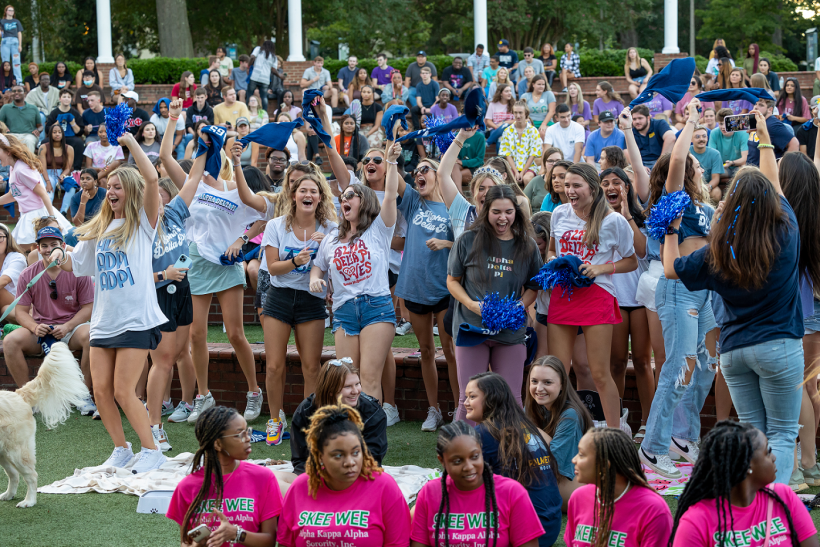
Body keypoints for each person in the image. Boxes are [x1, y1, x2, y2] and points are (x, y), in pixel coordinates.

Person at [663, 109, 806, 485]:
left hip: (735, 352)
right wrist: (761, 135)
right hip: (778, 346)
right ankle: (773, 513)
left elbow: (670, 269)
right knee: (782, 434)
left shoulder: (718, 250)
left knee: (752, 435)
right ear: (772, 202)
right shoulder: (786, 229)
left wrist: (670, 229)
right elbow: (773, 183)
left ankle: (750, 511)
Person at [49, 131, 167, 472]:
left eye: (117, 186)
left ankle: (152, 450)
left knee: (123, 390)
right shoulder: (99, 227)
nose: (110, 191)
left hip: (136, 319)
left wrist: (129, 144)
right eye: (109, 186)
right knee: (100, 390)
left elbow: (151, 176)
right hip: (103, 320)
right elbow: (77, 263)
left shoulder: (143, 223)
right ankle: (122, 448)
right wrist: (58, 253)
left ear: (130, 190)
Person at [161, 99, 273, 424]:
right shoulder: (189, 186)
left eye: (211, 150)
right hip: (196, 262)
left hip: (226, 264)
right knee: (197, 334)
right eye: (203, 150)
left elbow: (264, 213)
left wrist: (242, 239)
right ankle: (203, 396)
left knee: (236, 333)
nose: (207, 156)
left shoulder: (233, 187)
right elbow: (165, 157)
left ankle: (254, 391)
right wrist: (172, 121)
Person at [638, 99, 718, 479]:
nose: (701, 167)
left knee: (705, 367)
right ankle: (652, 447)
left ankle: (681, 437)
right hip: (678, 289)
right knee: (677, 368)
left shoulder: (707, 205)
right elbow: (676, 162)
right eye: (696, 165)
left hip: (706, 292)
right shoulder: (674, 202)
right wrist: (690, 121)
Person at [547, 161, 637, 431]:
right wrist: (554, 262)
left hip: (597, 295)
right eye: (567, 185)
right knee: (557, 372)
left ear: (593, 188)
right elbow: (552, 250)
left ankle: (614, 434)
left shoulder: (614, 220)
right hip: (564, 294)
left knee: (599, 373)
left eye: (576, 185)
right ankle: (558, 432)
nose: (570, 190)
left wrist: (601, 268)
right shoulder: (559, 213)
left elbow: (632, 261)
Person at [254, 155, 338, 445]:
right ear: (293, 195)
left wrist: (323, 250)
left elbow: (334, 266)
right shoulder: (277, 225)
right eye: (303, 190)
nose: (308, 194)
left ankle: (309, 420)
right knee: (275, 365)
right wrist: (296, 260)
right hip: (278, 297)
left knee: (311, 366)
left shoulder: (329, 229)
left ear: (319, 197)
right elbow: (273, 267)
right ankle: (275, 418)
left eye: (313, 191)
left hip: (311, 300)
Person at [310, 137, 400, 403]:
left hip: (377, 307)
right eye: (343, 196)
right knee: (348, 378)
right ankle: (352, 435)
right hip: (344, 311)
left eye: (351, 195)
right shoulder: (330, 240)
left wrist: (392, 162)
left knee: (370, 377)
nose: (344, 198)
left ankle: (370, 437)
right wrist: (317, 280)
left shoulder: (380, 229)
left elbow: (392, 195)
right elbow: (318, 268)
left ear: (366, 202)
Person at [446, 183, 542, 420]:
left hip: (510, 331)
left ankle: (513, 454)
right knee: (469, 398)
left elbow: (534, 286)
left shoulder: (527, 245)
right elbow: (452, 281)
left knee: (511, 398)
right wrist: (471, 305)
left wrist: (519, 305)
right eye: (496, 212)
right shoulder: (468, 240)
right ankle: (463, 452)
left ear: (516, 213)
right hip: (471, 328)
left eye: (508, 212)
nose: (503, 218)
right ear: (486, 211)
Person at [391, 146, 458, 431]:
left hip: (444, 288)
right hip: (415, 287)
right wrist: (392, 156)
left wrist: (445, 243)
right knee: (426, 350)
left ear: (437, 176)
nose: (419, 174)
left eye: (425, 170)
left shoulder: (453, 207)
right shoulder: (413, 203)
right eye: (416, 171)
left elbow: (468, 244)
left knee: (452, 350)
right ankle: (434, 409)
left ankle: (461, 407)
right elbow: (392, 178)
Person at [278, 404, 410, 547]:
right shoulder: (301, 487)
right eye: (338, 455)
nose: (350, 462)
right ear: (320, 456)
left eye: (355, 452)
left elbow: (398, 543)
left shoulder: (384, 487)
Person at [670, 422, 818, 547]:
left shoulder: (783, 496)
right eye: (767, 452)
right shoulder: (696, 522)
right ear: (747, 466)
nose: (773, 457)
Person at [465, 372, 562, 546]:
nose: (465, 403)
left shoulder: (484, 433)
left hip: (524, 535)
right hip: (550, 529)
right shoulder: (526, 425)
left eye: (472, 397)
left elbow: (460, 485)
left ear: (490, 400)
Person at [411, 421, 545, 547]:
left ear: (481, 451)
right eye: (457, 461)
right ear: (442, 461)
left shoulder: (512, 492)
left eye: (474, 456)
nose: (469, 467)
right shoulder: (430, 493)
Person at [4, 225, 94, 408]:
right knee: (10, 341)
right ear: (37, 249)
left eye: (54, 244)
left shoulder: (78, 270)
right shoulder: (28, 274)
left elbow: (89, 307)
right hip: (40, 328)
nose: (49, 249)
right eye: (44, 245)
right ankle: (30, 399)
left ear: (63, 245)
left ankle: (83, 396)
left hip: (71, 328)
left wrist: (68, 326)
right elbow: (21, 312)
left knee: (92, 336)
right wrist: (34, 327)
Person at [167, 406, 282, 546]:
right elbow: (185, 543)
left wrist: (237, 534)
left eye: (248, 432)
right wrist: (197, 545)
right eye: (239, 434)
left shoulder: (263, 478)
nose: (248, 439)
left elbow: (270, 541)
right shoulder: (187, 487)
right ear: (218, 444)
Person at [144, 173, 197, 451]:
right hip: (160, 292)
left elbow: (194, 178)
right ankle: (154, 427)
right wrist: (165, 273)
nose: (160, 204)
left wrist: (205, 147)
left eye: (163, 200)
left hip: (182, 288)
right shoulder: (141, 228)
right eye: (154, 200)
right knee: (162, 361)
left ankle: (185, 404)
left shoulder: (174, 216)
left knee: (179, 354)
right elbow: (137, 275)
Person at [566, 428, 673, 547]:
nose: (574, 460)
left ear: (603, 465)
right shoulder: (578, 498)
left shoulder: (653, 510)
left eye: (581, 454)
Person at [290, 359, 386, 472]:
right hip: (318, 473)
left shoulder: (373, 413)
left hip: (356, 473)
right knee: (279, 480)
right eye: (348, 386)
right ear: (331, 389)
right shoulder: (306, 410)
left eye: (357, 384)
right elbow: (301, 459)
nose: (355, 391)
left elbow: (372, 460)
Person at [525, 356, 593, 508]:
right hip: (548, 480)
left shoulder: (571, 415)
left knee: (525, 430)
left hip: (574, 489)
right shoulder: (534, 407)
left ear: (562, 385)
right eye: (534, 381)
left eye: (547, 382)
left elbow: (552, 464)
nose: (539, 388)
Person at [0, 134, 66, 245]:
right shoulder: (13, 168)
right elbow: (14, 194)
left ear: (8, 151)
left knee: (20, 248)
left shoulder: (21, 169)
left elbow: (43, 193)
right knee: (27, 250)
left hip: (36, 215)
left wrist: (52, 219)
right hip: (27, 215)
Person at [500, 100, 542, 186]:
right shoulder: (507, 131)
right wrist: (516, 172)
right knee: (509, 179)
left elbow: (533, 154)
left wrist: (522, 172)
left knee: (527, 179)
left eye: (520, 112)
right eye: (515, 112)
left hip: (530, 166)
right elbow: (507, 154)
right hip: (512, 166)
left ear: (526, 113)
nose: (518, 115)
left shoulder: (533, 130)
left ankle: (529, 200)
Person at [747, 96, 799, 166]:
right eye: (755, 104)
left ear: (770, 109)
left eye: (761, 105)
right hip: (752, 170)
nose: (756, 107)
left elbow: (794, 144)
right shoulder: (757, 122)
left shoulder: (773, 125)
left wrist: (783, 167)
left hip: (766, 172)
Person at [709, 107, 748, 185]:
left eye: (726, 123)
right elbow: (711, 156)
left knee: (744, 170)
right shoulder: (714, 133)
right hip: (722, 168)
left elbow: (744, 159)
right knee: (711, 172)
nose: (723, 127)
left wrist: (732, 163)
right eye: (720, 123)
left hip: (738, 167)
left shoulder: (743, 133)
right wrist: (721, 166)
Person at [38, 123, 74, 204]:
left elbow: (68, 168)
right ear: (50, 134)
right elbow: (42, 168)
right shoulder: (43, 147)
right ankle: (48, 215)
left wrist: (62, 176)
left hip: (61, 174)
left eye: (59, 132)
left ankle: (63, 212)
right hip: (47, 174)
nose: (57, 134)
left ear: (62, 134)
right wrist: (47, 182)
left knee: (72, 187)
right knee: (49, 194)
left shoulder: (69, 148)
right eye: (54, 132)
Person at [0, 223, 25, 335]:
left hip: (19, 304)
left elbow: (4, 280)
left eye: (0, 237)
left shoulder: (17, 258)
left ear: (8, 239)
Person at [0, 84, 40, 152]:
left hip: (29, 134)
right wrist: (3, 126)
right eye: (14, 91)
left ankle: (29, 162)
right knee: (10, 141)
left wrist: (38, 130)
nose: (16, 92)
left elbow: (40, 126)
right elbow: (0, 122)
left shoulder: (33, 108)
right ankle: (10, 163)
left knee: (29, 141)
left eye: (19, 91)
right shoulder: (5, 108)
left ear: (25, 93)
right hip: (11, 134)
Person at [690, 124, 724, 201]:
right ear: (691, 139)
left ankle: (712, 212)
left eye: (704, 136)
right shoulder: (687, 153)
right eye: (697, 137)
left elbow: (716, 178)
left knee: (716, 192)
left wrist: (708, 187)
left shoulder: (715, 154)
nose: (701, 139)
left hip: (706, 186)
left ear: (707, 138)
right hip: (690, 186)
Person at [524, 148, 562, 213]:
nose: (554, 164)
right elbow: (522, 202)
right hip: (536, 219)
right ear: (544, 164)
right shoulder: (535, 181)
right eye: (550, 161)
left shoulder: (567, 183)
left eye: (558, 161)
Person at [248, 40, 281, 111]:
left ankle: (247, 111)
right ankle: (264, 112)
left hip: (255, 76)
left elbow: (252, 57)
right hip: (265, 79)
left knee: (249, 94)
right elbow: (274, 70)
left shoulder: (258, 49)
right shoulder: (274, 57)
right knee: (264, 97)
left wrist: (249, 66)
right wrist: (280, 76)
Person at [410, 67, 440, 132]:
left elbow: (437, 99)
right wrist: (422, 107)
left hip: (433, 106)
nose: (424, 75)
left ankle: (435, 129)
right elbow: (418, 100)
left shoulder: (435, 84)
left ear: (430, 74)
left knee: (438, 109)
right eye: (423, 73)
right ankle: (416, 130)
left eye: (426, 73)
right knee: (413, 110)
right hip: (423, 106)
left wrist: (431, 108)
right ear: (420, 75)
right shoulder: (419, 85)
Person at [0, 6, 21, 84]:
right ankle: (4, 82)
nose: (12, 12)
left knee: (16, 62)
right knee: (5, 63)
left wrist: (20, 45)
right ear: (6, 11)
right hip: (5, 42)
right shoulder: (2, 21)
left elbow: (19, 33)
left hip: (15, 42)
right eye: (10, 10)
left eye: (13, 10)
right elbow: (1, 33)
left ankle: (18, 81)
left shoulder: (16, 21)